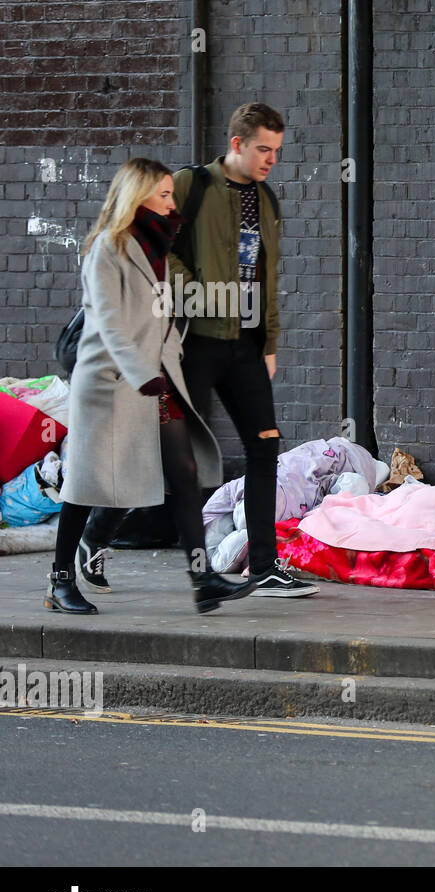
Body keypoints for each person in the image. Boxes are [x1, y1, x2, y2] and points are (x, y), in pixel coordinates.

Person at [77, 102, 318, 598]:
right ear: (237, 144)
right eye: (262, 149)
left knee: (264, 445)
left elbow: (266, 277)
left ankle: (264, 566)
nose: (271, 159)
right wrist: (198, 290)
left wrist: (268, 341)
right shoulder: (193, 185)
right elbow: (159, 250)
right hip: (190, 343)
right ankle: (95, 535)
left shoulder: (267, 199)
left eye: (277, 150)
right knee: (160, 449)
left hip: (245, 345)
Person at [48, 158, 255, 615]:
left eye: (171, 194)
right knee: (88, 485)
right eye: (162, 193)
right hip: (109, 384)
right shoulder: (109, 246)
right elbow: (109, 323)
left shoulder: (156, 246)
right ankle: (60, 580)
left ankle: (203, 579)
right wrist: (143, 374)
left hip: (157, 382)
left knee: (184, 474)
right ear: (136, 195)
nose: (170, 201)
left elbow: (161, 316)